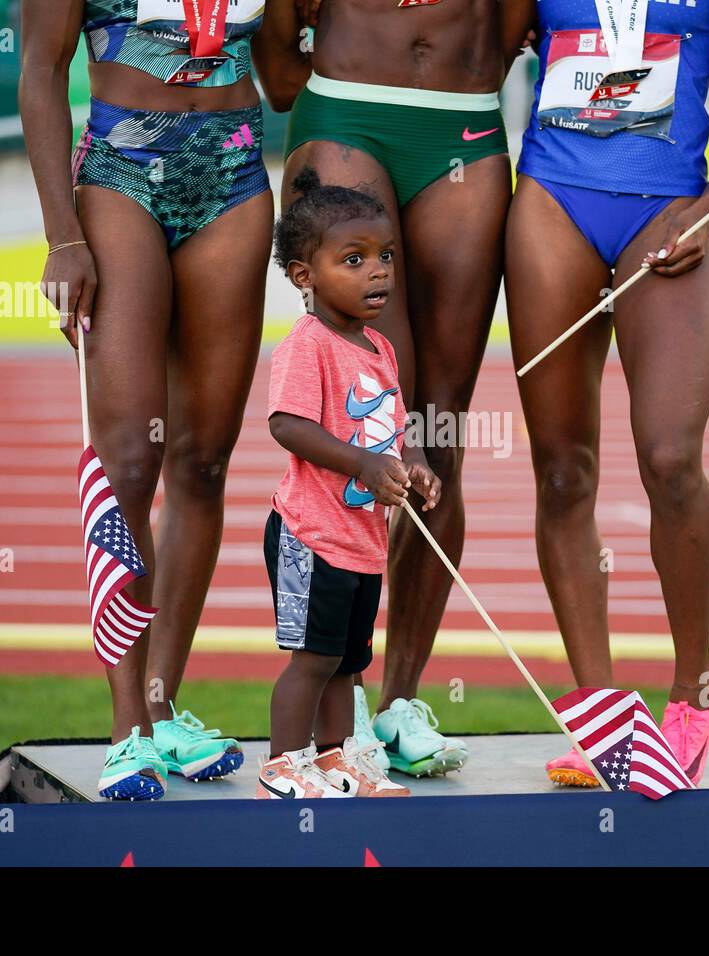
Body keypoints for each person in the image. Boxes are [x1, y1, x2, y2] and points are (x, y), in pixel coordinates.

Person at [499, 0, 709, 786]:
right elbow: (490, 48)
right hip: (553, 201)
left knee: (671, 458)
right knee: (562, 472)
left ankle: (688, 700)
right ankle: (601, 716)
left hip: (670, 208)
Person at [20, 0, 290, 799]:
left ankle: (161, 703)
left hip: (235, 173)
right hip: (121, 171)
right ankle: (125, 728)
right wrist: (63, 237)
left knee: (203, 462)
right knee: (131, 459)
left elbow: (282, 71)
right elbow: (39, 72)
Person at [254, 0, 512, 778]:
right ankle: (347, 705)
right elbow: (275, 58)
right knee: (364, 418)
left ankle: (399, 699)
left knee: (437, 432)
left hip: (462, 122)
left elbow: (521, 30)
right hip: (345, 111)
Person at [257, 168, 439, 799]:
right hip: (311, 533)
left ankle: (337, 760)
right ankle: (282, 765)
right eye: (354, 259)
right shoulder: (307, 347)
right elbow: (287, 424)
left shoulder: (380, 348)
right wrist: (361, 465)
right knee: (311, 658)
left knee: (348, 661)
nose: (378, 271)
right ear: (305, 276)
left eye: (385, 256)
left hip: (361, 536)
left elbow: (391, 423)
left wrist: (412, 461)